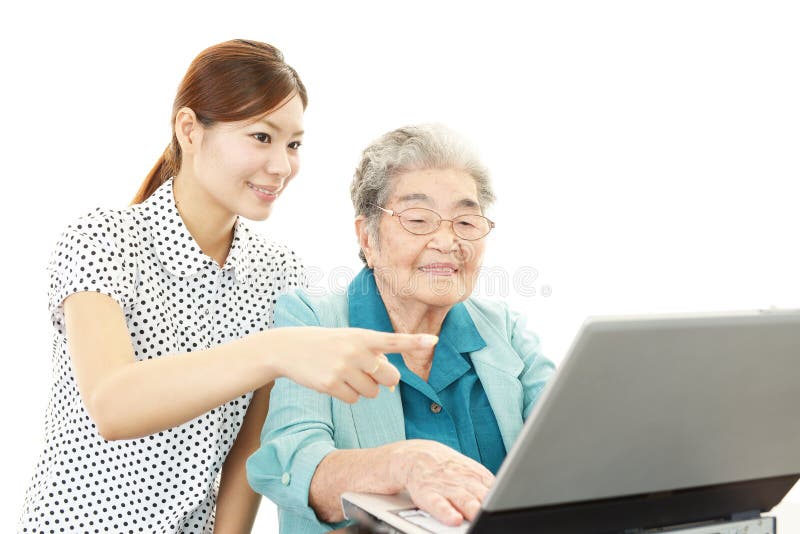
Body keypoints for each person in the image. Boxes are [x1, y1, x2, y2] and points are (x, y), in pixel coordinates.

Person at [18, 40, 437, 534]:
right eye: (262, 137)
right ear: (190, 130)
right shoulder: (102, 239)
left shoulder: (278, 269)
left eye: (294, 143)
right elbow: (114, 404)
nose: (282, 165)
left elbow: (248, 445)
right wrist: (276, 349)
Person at [246, 124, 556, 532]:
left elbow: (570, 440)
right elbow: (287, 462)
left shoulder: (505, 329)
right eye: (419, 219)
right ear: (368, 238)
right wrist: (403, 464)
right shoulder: (314, 320)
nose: (447, 241)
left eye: (466, 221)